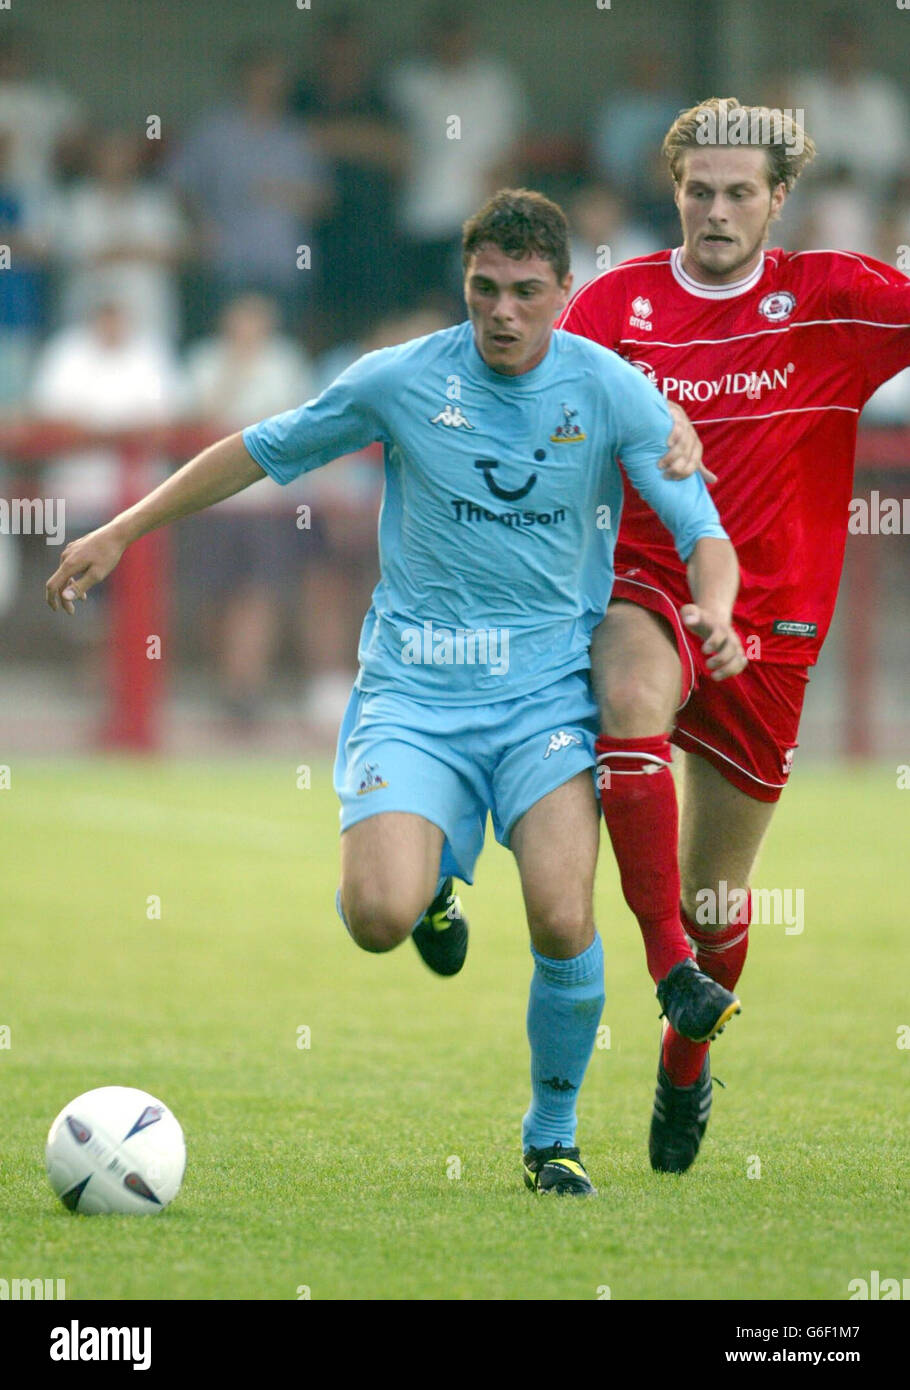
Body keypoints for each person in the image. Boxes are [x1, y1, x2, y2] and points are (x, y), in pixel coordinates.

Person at [46, 189, 745, 1195]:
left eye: (524, 292)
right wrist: (123, 529)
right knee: (376, 913)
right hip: (413, 695)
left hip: (544, 699)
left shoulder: (607, 390)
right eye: (482, 290)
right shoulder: (400, 380)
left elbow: (700, 531)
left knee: (559, 915)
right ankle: (426, 896)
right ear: (463, 285)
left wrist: (713, 609)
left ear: (563, 293)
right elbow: (255, 450)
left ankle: (551, 1136)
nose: (501, 311)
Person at [557, 97, 910, 1174]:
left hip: (775, 632)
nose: (715, 211)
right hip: (649, 587)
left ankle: (683, 1056)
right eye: (697, 191)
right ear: (674, 189)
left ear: (778, 199)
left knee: (719, 901)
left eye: (737, 194)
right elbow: (547, 431)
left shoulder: (839, 297)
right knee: (626, 697)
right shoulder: (614, 306)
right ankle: (667, 965)